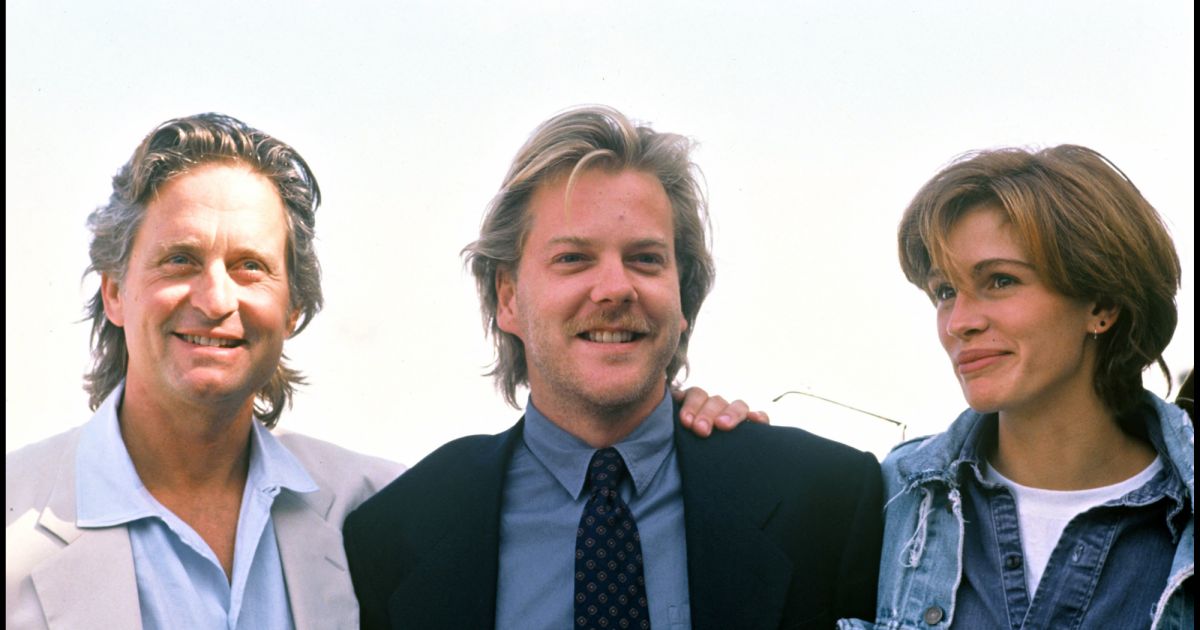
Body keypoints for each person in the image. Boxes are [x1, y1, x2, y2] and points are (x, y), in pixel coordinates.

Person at [3, 112, 753, 630]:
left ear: (294, 305)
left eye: (251, 267)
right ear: (113, 291)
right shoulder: (13, 519)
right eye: (180, 261)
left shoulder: (386, 514)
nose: (216, 298)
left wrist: (693, 425)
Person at [343, 105, 884, 629]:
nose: (615, 288)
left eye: (646, 259)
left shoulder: (828, 499)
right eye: (572, 258)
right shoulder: (396, 531)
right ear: (508, 298)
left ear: (683, 297)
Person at [844, 146, 1193, 629]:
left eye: (1001, 281)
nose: (959, 323)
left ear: (1102, 305)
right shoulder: (889, 499)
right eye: (945, 292)